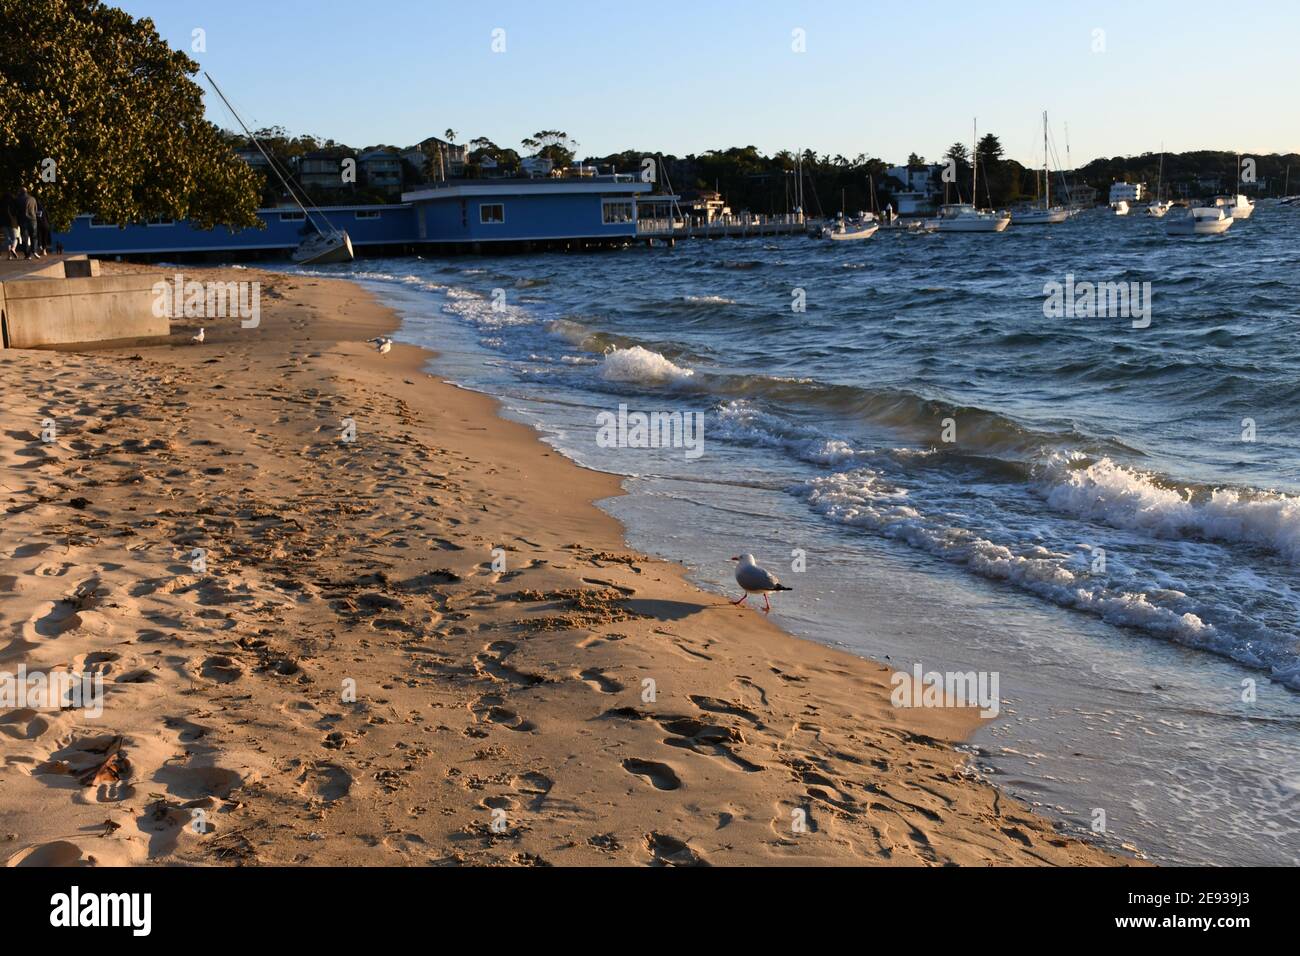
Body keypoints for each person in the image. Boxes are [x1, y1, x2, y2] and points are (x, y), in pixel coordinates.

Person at [16, 186, 39, 259]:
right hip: (33, 220)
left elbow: (16, 211)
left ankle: (27, 255)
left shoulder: (18, 200)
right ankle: (34, 250)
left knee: (25, 238)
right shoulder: (32, 199)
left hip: (23, 221)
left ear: (20, 192)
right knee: (34, 237)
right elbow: (36, 210)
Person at [2, 190, 18, 259]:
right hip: (12, 222)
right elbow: (16, 212)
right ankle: (13, 248)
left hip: (3, 223)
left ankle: (9, 256)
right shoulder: (13, 202)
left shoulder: (1, 202)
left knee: (7, 239)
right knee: (15, 238)